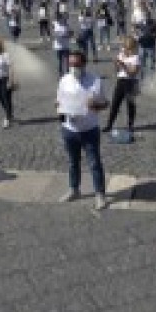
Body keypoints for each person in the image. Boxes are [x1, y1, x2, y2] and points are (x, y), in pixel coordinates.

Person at [55, 50, 108, 210]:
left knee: (94, 163)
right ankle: (74, 189)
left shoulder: (95, 81)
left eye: (76, 65)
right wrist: (58, 108)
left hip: (89, 129)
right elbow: (58, 101)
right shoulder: (64, 80)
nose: (73, 67)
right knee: (72, 162)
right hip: (69, 129)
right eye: (70, 64)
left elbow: (105, 104)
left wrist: (96, 106)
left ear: (84, 64)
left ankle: (100, 194)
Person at [103, 36, 140, 135]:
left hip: (131, 82)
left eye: (126, 48)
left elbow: (133, 73)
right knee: (115, 104)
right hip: (121, 81)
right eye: (124, 47)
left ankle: (130, 125)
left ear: (131, 48)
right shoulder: (121, 55)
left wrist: (123, 64)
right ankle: (109, 125)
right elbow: (117, 71)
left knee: (130, 105)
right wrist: (116, 64)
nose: (124, 49)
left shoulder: (135, 57)